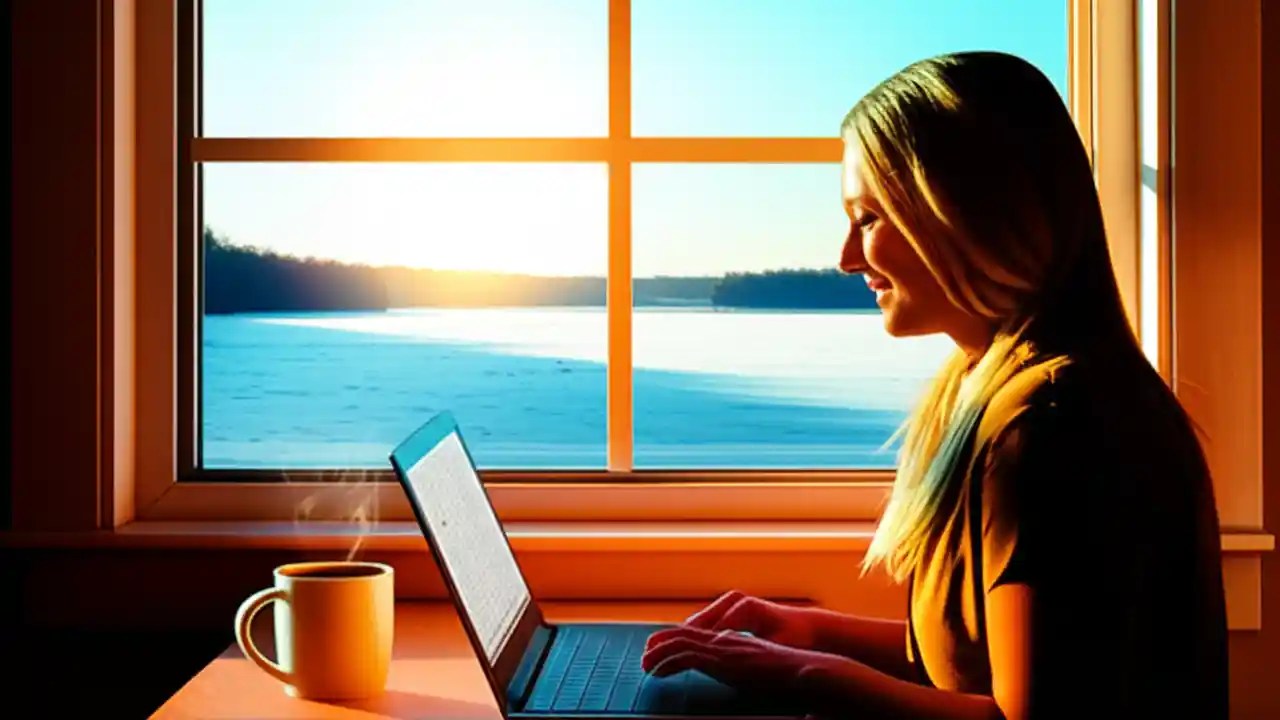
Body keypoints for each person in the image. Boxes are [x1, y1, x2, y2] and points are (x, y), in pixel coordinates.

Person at [640, 51, 1228, 719]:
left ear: (965, 215)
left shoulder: (1054, 426)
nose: (845, 257)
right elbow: (974, 666)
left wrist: (806, 676)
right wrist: (809, 632)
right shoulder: (999, 392)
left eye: (869, 218)